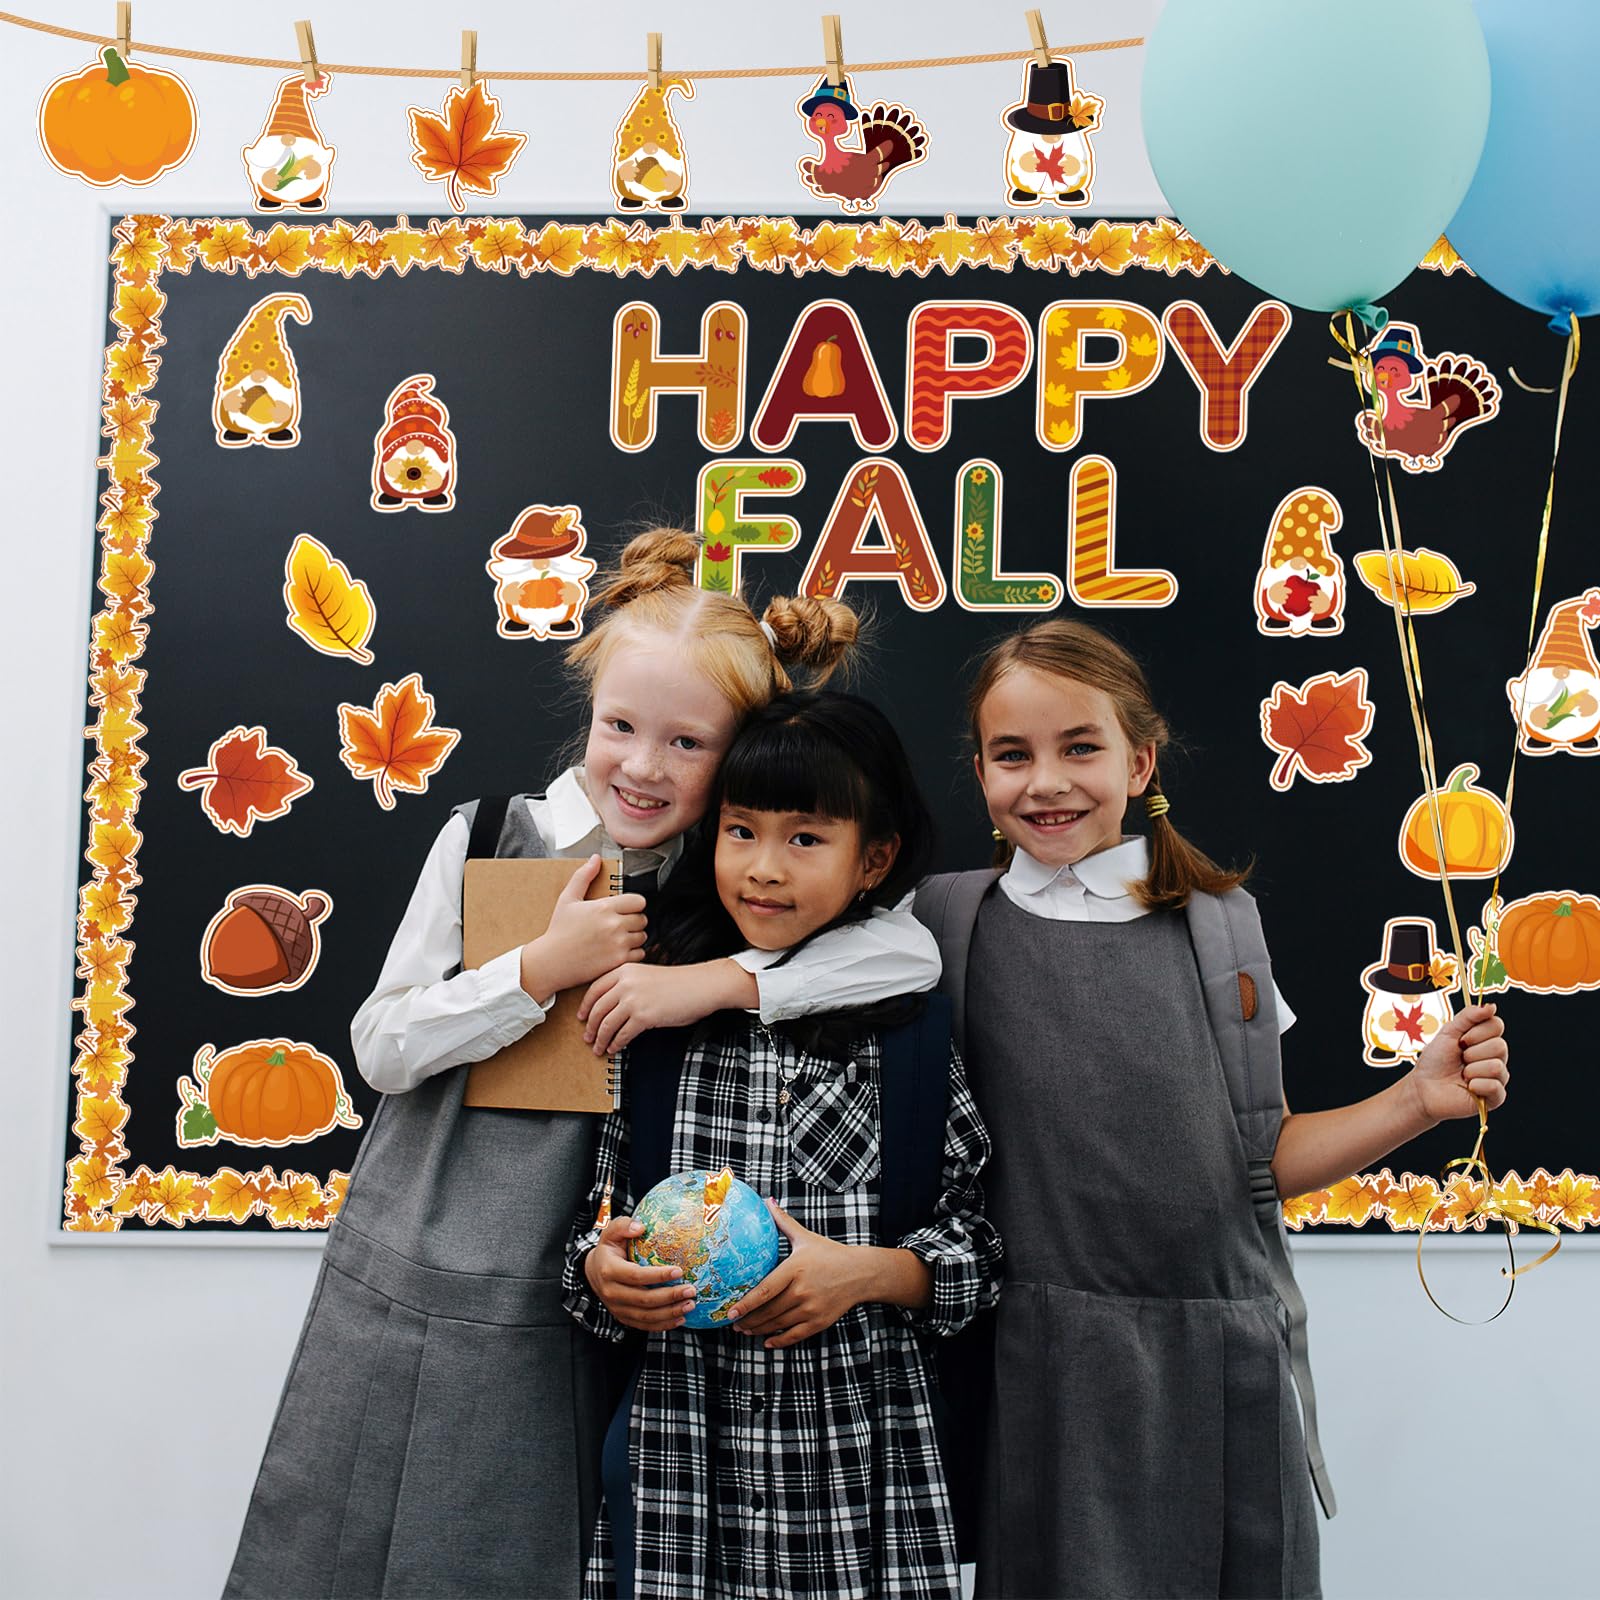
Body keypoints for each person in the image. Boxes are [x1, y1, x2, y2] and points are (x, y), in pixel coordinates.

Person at [224, 532, 943, 1600]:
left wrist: (711, 981)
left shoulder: (734, 879)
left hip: (586, 1291)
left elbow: (910, 948)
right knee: (345, 1537)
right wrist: (535, 968)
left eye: (688, 743)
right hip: (421, 1260)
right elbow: (381, 1046)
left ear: (738, 748)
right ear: (591, 713)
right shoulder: (490, 836)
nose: (643, 766)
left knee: (517, 1555)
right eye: (620, 726)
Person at [915, 618, 1511, 1600]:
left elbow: (1258, 1157)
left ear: (1139, 758)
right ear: (978, 773)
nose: (1046, 780)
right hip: (1038, 1372)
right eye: (1011, 754)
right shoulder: (944, 924)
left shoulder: (1219, 928)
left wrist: (1416, 1098)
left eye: (1080, 747)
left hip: (1215, 1366)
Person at [564, 691, 1003, 1600]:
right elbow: (591, 1225)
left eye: (805, 839)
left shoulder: (910, 1037)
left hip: (859, 1483)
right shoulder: (654, 1034)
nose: (763, 869)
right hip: (682, 1470)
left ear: (873, 859)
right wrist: (604, 1275)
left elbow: (981, 1245)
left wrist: (871, 1272)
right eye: (739, 831)